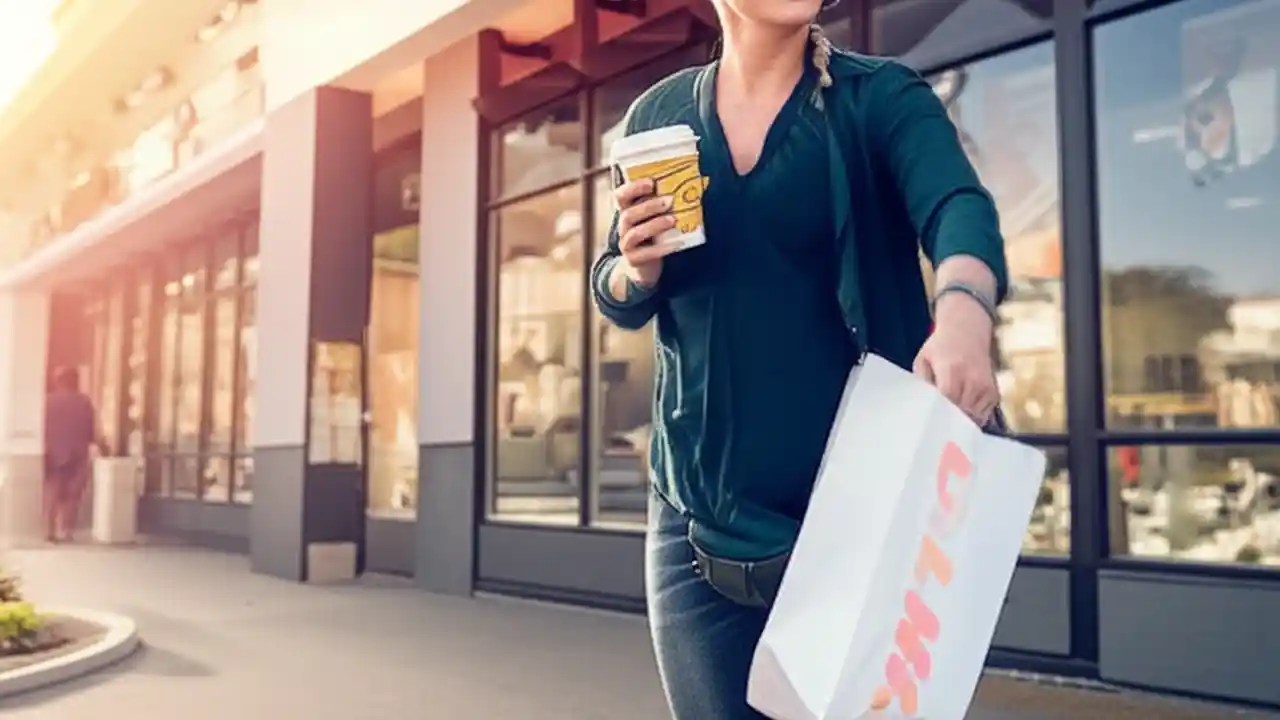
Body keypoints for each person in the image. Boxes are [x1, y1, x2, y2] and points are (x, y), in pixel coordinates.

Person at [590, 1, 1008, 717]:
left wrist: (964, 313)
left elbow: (957, 207)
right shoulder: (658, 115)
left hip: (862, 527)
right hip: (696, 527)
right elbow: (615, 284)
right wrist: (636, 269)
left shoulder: (878, 98)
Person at [43, 366, 101, 544]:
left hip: (52, 454)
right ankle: (66, 531)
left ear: (58, 381)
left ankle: (50, 531)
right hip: (77, 454)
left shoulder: (48, 401)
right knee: (72, 495)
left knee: (53, 491)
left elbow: (41, 427)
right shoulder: (84, 402)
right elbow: (91, 431)